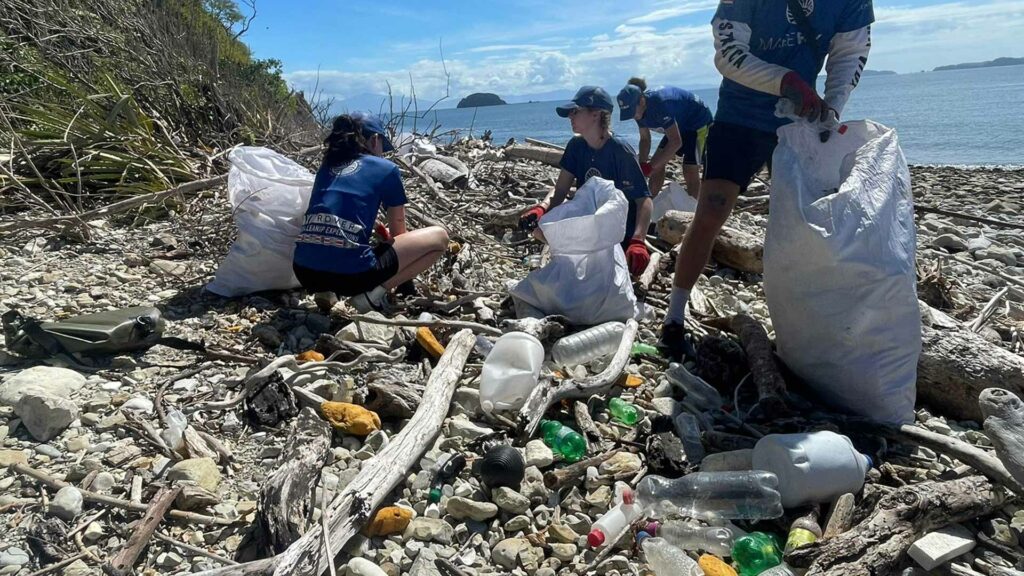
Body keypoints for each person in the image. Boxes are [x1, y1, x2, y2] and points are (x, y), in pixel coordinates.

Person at [659, 0, 874, 359]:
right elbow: (727, 54)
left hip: (801, 122)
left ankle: (807, 328)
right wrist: (786, 80)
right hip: (739, 116)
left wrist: (832, 108)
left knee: (804, 225)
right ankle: (675, 316)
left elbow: (849, 53)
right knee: (710, 211)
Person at [292, 113, 449, 313]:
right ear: (375, 140)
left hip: (305, 272)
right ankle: (372, 296)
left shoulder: (327, 166)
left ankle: (325, 291)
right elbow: (399, 232)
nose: (383, 152)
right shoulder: (386, 169)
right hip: (351, 277)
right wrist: (404, 285)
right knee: (440, 237)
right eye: (383, 145)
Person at [519, 86, 654, 276]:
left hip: (617, 230)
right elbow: (560, 192)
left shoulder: (619, 150)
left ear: (596, 114)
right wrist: (541, 209)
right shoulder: (576, 146)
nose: (570, 116)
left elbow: (644, 200)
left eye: (576, 111)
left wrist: (638, 241)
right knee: (540, 230)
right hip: (587, 223)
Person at [616, 78, 713, 200]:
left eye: (632, 112)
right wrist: (642, 165)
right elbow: (645, 139)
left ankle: (692, 208)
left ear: (641, 101)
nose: (633, 117)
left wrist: (650, 167)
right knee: (658, 164)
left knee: (689, 169)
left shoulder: (660, 104)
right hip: (678, 124)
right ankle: (650, 200)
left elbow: (676, 141)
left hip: (698, 122)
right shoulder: (637, 109)